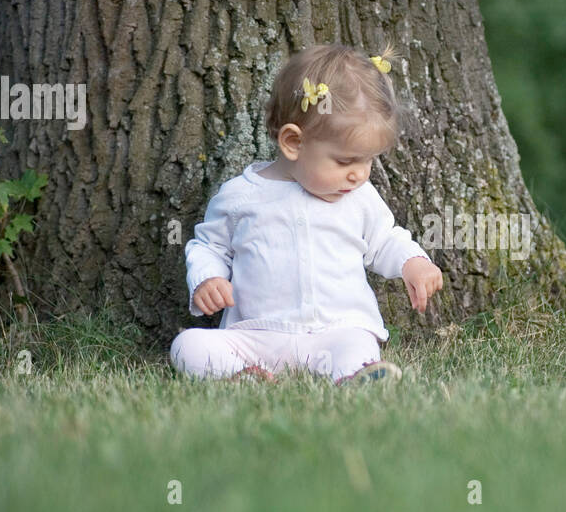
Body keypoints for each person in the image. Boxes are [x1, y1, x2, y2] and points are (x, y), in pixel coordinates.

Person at [169, 42, 443, 384]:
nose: (359, 174)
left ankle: (353, 378)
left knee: (358, 342)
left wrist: (413, 263)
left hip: (334, 332)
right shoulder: (242, 196)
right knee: (187, 346)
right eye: (345, 161)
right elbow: (209, 246)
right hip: (254, 336)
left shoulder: (359, 197)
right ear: (293, 143)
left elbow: (385, 239)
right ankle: (244, 376)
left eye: (368, 160)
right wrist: (208, 278)